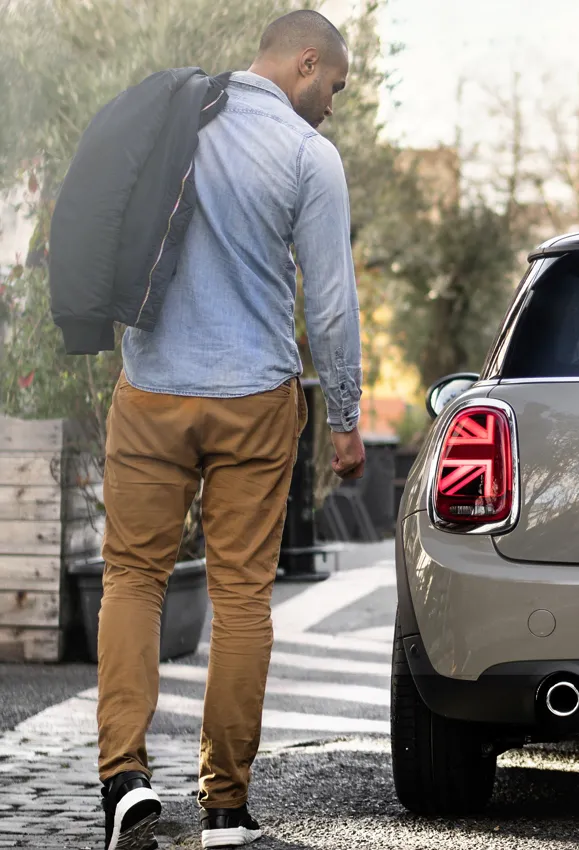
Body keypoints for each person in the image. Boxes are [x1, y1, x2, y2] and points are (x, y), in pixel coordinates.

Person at [96, 11, 364, 850]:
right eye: (334, 87)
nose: (332, 105)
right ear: (306, 62)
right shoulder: (308, 157)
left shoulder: (178, 116)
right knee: (242, 595)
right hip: (253, 399)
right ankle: (223, 807)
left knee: (132, 578)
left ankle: (124, 780)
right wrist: (347, 421)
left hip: (150, 389)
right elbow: (330, 305)